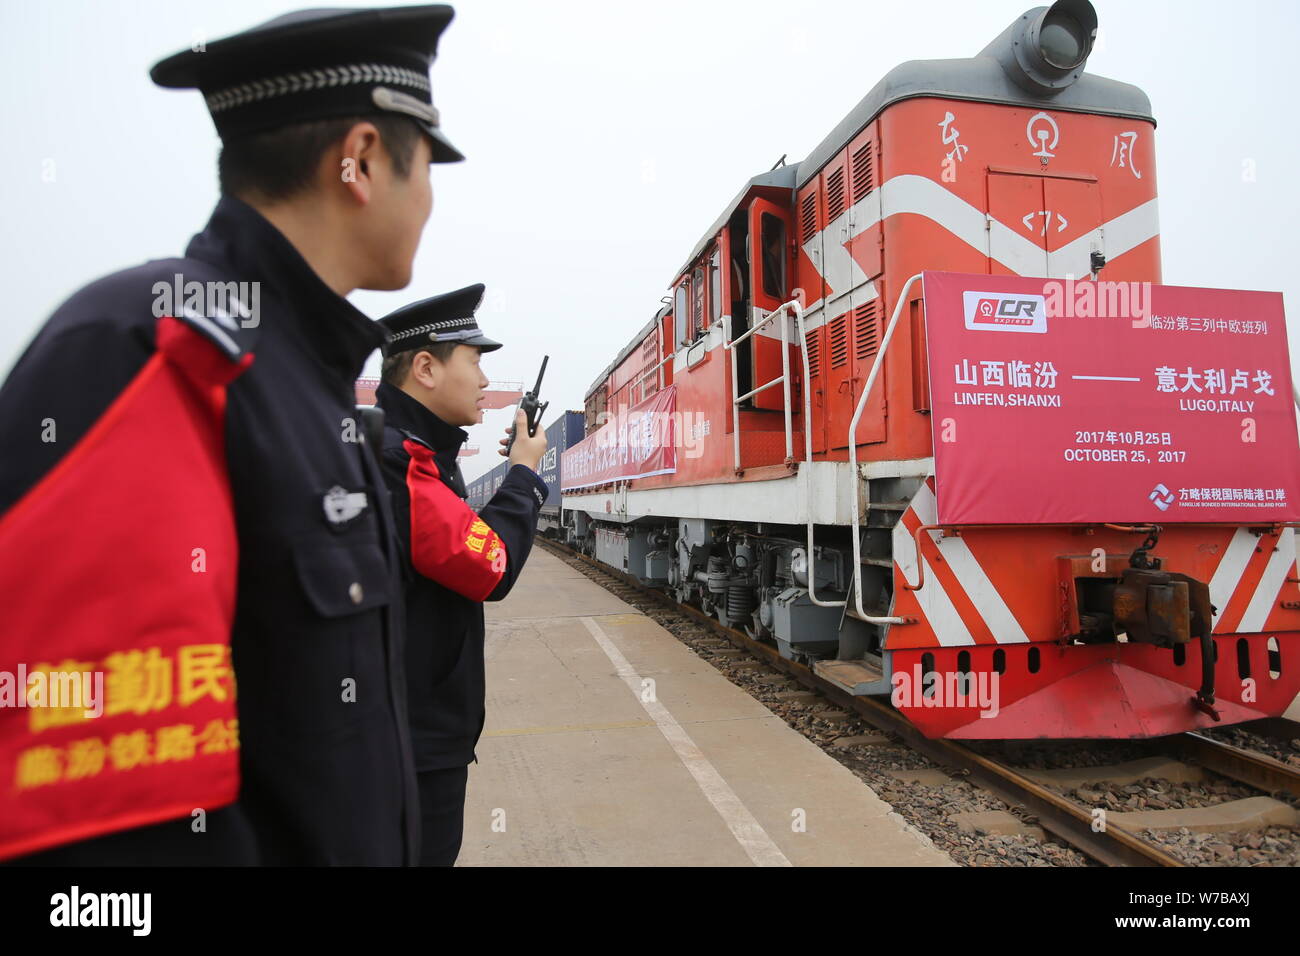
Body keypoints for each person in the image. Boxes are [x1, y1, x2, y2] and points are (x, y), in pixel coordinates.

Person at [0, 5, 464, 865]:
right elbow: (101, 830)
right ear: (359, 161)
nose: (433, 195)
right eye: (430, 162)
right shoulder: (153, 355)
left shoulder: (304, 383)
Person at [374, 285, 548, 866]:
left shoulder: (420, 454)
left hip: (408, 735)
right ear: (425, 367)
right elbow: (489, 564)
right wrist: (522, 475)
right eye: (474, 360)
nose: (483, 380)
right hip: (412, 745)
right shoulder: (405, 462)